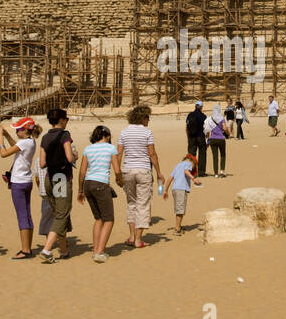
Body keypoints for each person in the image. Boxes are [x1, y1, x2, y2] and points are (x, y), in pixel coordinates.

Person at [117, 104, 161, 248]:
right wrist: (159, 172)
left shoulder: (124, 132)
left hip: (127, 170)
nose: (149, 120)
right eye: (147, 117)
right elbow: (152, 154)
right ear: (142, 118)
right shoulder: (147, 132)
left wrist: (117, 173)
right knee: (142, 205)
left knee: (131, 203)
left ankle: (131, 236)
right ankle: (137, 239)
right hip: (143, 170)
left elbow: (119, 154)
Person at [0, 116, 40, 259]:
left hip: (19, 183)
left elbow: (4, 154)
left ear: (25, 130)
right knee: (27, 214)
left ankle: (25, 250)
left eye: (18, 130)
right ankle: (28, 247)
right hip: (26, 181)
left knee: (22, 215)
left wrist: (0, 139)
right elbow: (16, 145)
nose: (16, 132)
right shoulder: (30, 142)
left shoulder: (25, 143)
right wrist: (7, 134)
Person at [77, 125, 121, 263]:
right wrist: (120, 181)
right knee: (109, 219)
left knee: (98, 219)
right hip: (101, 184)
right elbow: (117, 170)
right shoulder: (110, 148)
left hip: (88, 184)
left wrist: (80, 190)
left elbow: (82, 171)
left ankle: (96, 249)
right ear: (107, 136)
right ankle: (100, 252)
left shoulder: (88, 149)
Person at [38, 108, 76, 262]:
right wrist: (75, 156)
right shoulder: (65, 135)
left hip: (49, 177)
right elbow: (69, 157)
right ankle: (47, 250)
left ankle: (64, 250)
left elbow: (42, 163)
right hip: (61, 177)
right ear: (61, 120)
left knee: (59, 214)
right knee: (61, 215)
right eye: (66, 119)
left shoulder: (45, 137)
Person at [164, 152, 197, 234]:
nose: (192, 169)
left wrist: (165, 190)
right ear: (192, 162)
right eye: (193, 167)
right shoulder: (188, 163)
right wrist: (193, 178)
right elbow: (186, 171)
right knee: (180, 210)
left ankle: (178, 226)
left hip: (175, 189)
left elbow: (169, 179)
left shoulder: (178, 165)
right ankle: (177, 229)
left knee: (179, 208)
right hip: (181, 189)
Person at [185, 101, 208, 180]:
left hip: (191, 137)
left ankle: (191, 171)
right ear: (201, 107)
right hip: (201, 137)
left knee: (191, 155)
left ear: (195, 106)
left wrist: (188, 137)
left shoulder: (190, 115)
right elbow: (206, 129)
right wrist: (207, 139)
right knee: (202, 154)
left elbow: (186, 127)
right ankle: (201, 172)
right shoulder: (204, 116)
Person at [207, 106, 230, 177]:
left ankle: (216, 173)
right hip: (221, 139)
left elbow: (207, 131)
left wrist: (207, 140)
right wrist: (228, 132)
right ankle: (222, 171)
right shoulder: (221, 118)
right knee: (223, 155)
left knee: (215, 156)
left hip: (212, 139)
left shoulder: (210, 119)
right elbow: (224, 128)